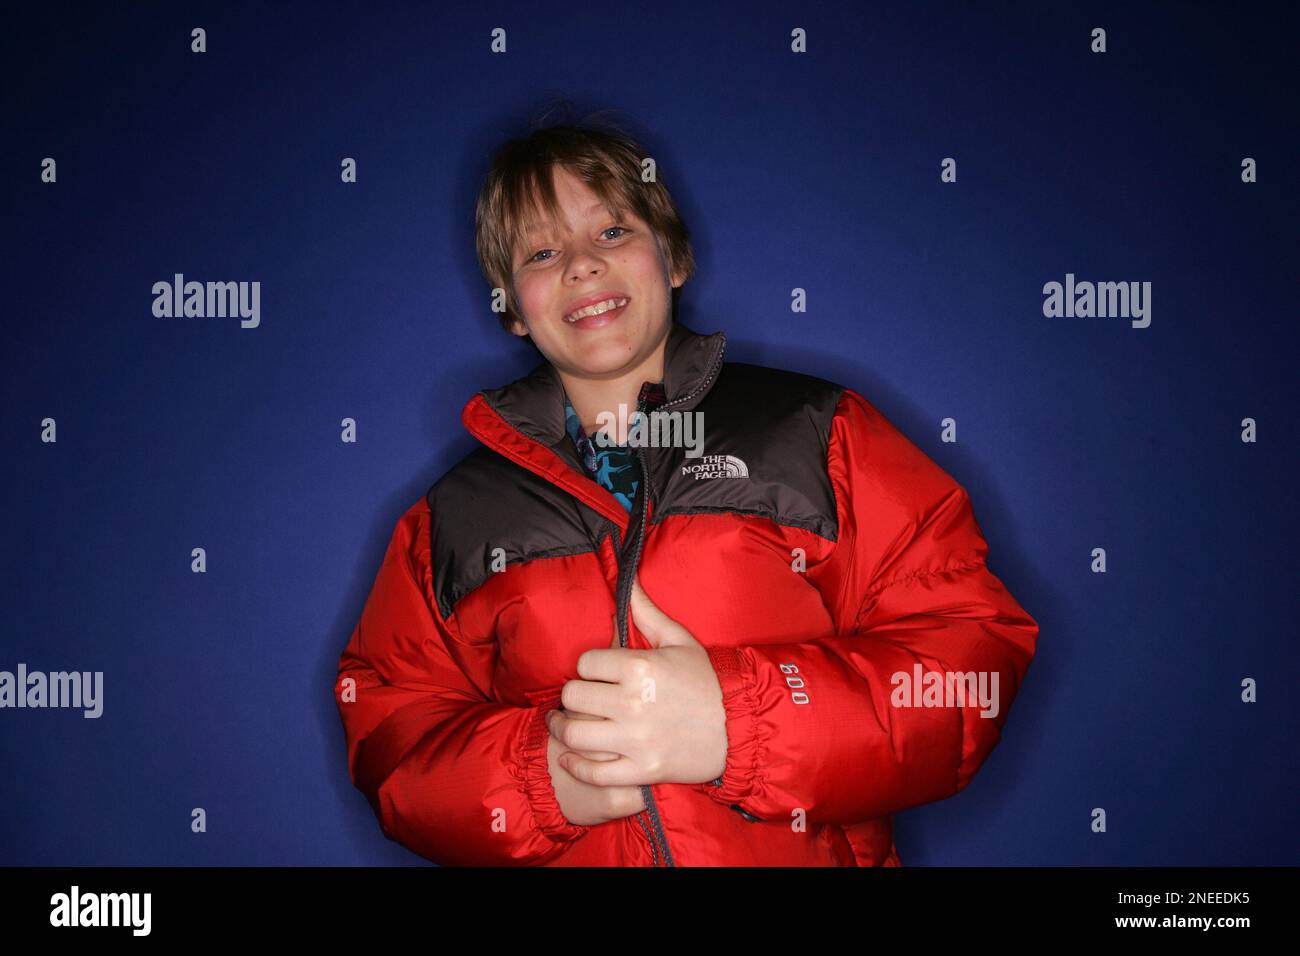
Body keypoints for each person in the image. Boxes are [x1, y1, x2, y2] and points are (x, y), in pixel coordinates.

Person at [333, 118, 1040, 866]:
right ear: (512, 306)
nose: (580, 265)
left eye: (611, 232)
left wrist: (745, 721)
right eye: (541, 252)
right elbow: (391, 735)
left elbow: (970, 663)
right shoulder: (451, 517)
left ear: (671, 257)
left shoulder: (819, 433)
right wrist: (538, 782)